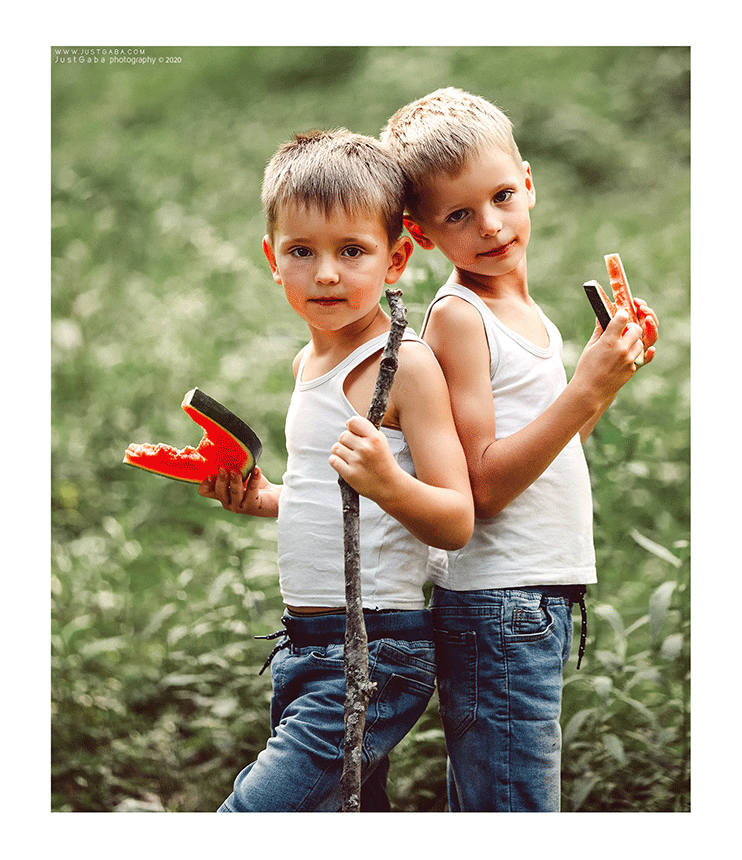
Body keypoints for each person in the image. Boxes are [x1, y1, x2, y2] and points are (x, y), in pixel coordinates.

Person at [381, 87, 659, 812]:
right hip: (498, 602)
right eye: (459, 215)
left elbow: (548, 456)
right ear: (422, 232)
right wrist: (581, 389)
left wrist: (604, 379)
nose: (492, 225)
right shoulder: (459, 318)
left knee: (500, 803)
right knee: (515, 812)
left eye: (503, 195)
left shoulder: (526, 314)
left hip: (529, 597)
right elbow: (485, 488)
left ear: (529, 181)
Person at [199, 128, 474, 812]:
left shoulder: (401, 365)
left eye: (352, 250)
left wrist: (390, 482)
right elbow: (329, 499)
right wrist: (263, 498)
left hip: (374, 652)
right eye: (302, 251)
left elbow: (455, 518)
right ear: (273, 259)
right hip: (304, 645)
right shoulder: (308, 363)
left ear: (396, 258)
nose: (326, 273)